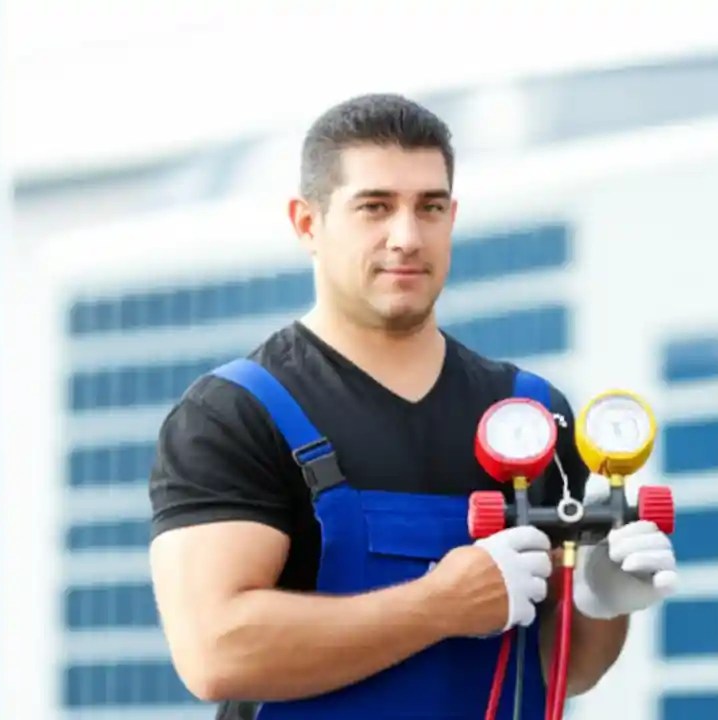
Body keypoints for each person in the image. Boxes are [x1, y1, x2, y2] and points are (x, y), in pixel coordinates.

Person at [147, 93, 679, 720]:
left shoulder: (531, 413)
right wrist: (440, 604)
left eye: (429, 208)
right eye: (375, 207)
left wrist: (600, 605)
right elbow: (216, 653)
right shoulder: (234, 415)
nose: (407, 237)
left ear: (452, 217)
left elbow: (559, 670)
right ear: (308, 223)